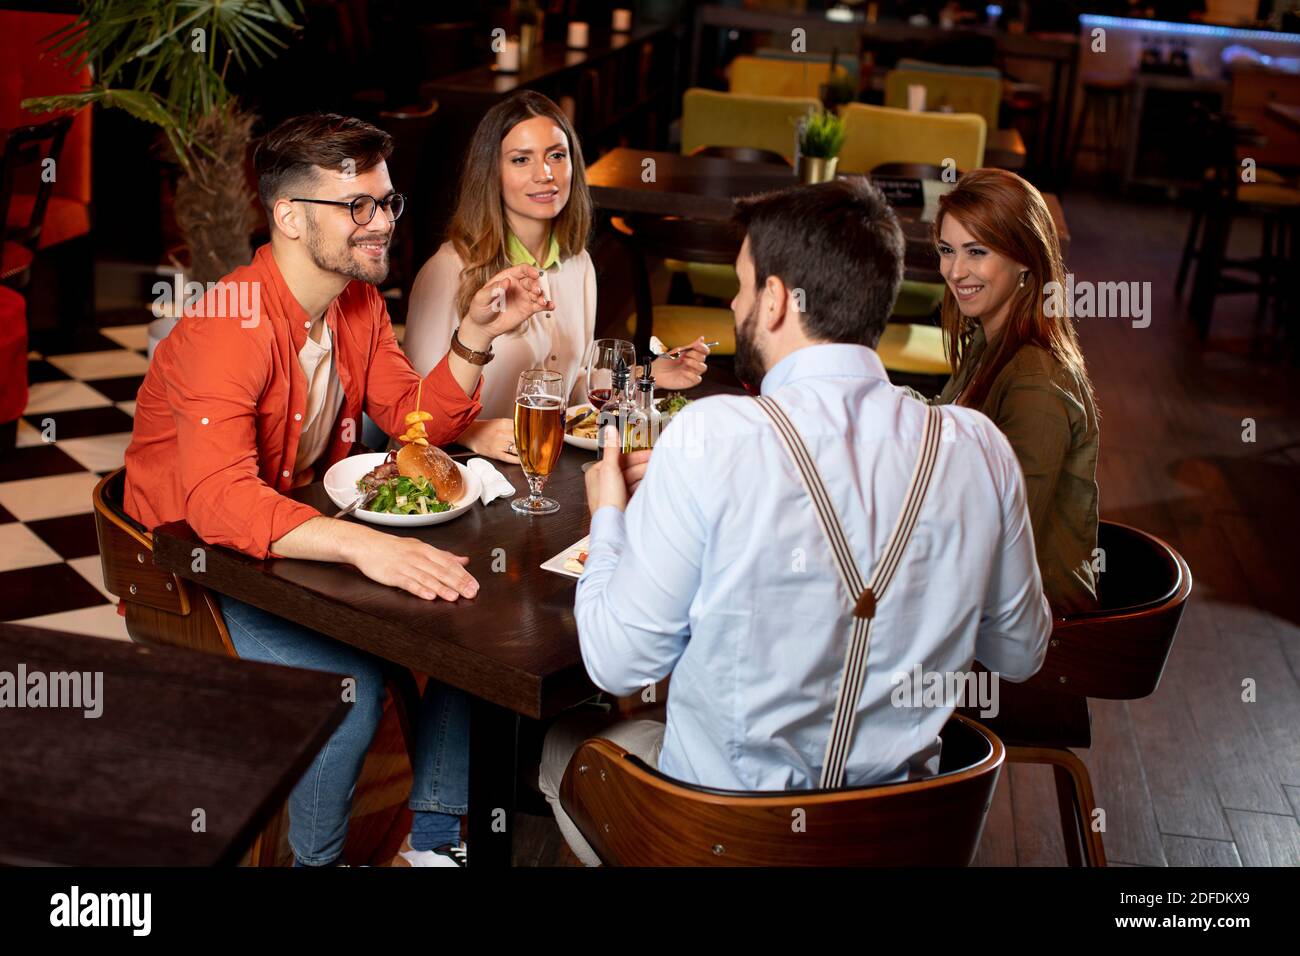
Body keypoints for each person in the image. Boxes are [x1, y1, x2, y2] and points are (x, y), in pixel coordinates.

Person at [537, 178, 1051, 865]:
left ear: (777, 300)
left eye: (743, 286)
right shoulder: (978, 446)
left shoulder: (712, 436)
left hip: (720, 838)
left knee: (559, 744)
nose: (735, 303)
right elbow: (1020, 653)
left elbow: (617, 663)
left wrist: (609, 516)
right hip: (904, 839)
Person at [124, 113, 549, 867]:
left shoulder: (353, 302)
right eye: (356, 206)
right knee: (348, 692)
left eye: (386, 203)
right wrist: (365, 547)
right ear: (288, 216)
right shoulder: (230, 326)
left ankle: (435, 845)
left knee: (465, 623)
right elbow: (220, 502)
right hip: (192, 566)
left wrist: (476, 337)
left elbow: (413, 417)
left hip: (288, 539)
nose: (380, 223)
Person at [402, 90, 709, 463]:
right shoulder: (448, 271)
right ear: (491, 173)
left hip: (543, 463)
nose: (545, 175)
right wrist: (472, 432)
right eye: (521, 159)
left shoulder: (578, 263)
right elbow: (412, 410)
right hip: (460, 470)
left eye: (557, 156)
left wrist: (647, 374)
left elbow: (575, 388)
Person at [918, 168, 1099, 616]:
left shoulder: (1036, 382)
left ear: (1025, 257)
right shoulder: (991, 340)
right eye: (947, 251)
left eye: (976, 252)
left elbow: (1001, 540)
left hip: (1036, 627)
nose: (955, 271)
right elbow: (944, 421)